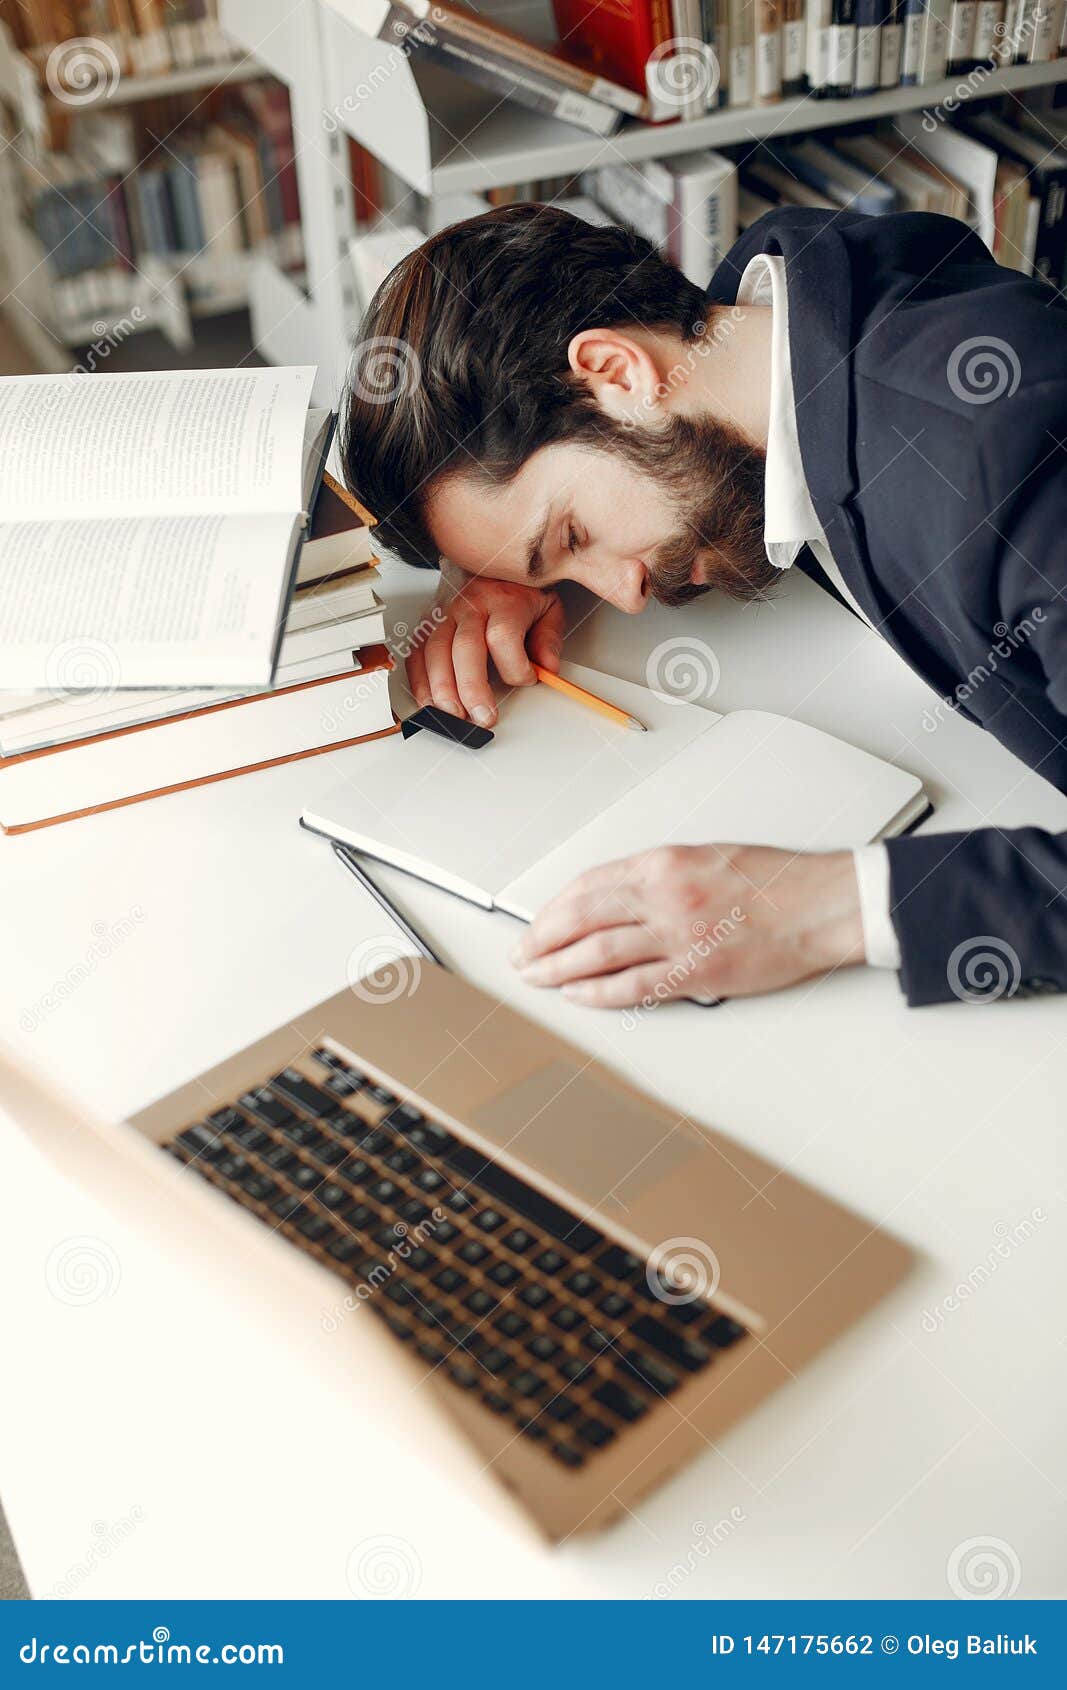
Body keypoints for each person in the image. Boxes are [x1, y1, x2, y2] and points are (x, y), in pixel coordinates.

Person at [341, 203, 1067, 1009]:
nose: (624, 594)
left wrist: (826, 910)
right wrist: (512, 564)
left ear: (618, 372)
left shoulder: (1011, 466)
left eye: (575, 534)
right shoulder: (765, 305)